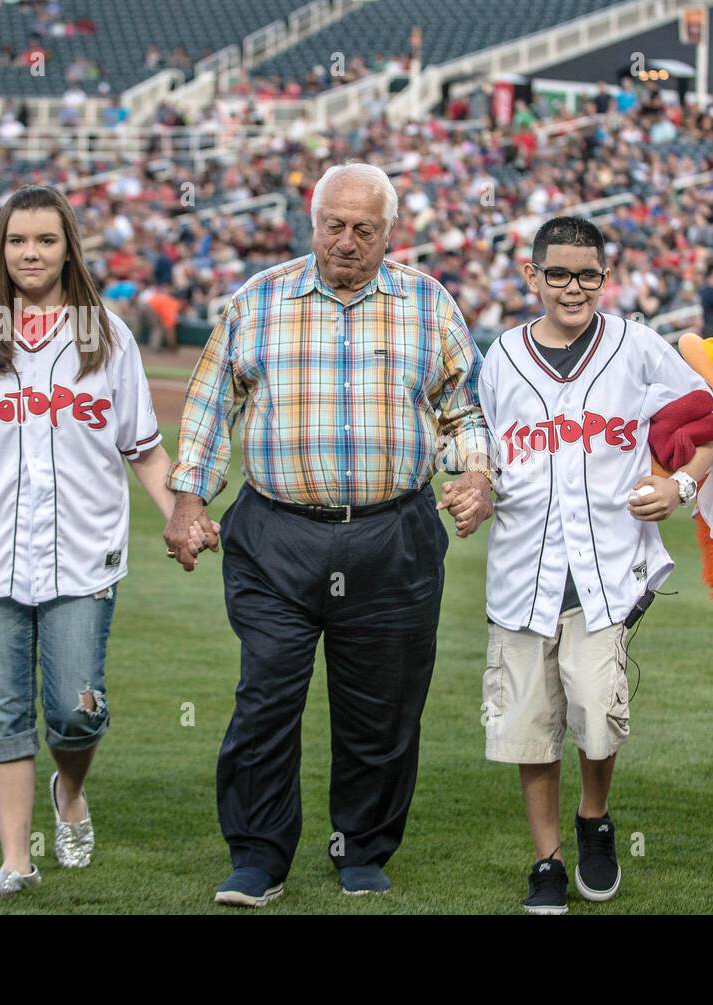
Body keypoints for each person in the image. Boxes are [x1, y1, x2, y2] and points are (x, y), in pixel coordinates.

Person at [164, 162, 493, 906]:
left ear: (389, 233)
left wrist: (474, 473)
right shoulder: (258, 300)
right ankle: (257, 856)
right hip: (276, 536)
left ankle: (361, 848)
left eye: (364, 230)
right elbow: (211, 405)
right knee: (266, 698)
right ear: (312, 224)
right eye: (334, 226)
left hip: (394, 536)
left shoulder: (428, 303)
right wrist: (188, 501)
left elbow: (463, 410)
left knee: (382, 708)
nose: (346, 242)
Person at [0, 185, 184, 900]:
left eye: (45, 240)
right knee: (1, 706)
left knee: (75, 708)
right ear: (1, 250)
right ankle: (16, 858)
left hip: (85, 554)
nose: (30, 252)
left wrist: (179, 514)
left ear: (69, 249)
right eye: (17, 241)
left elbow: (144, 449)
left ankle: (70, 786)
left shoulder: (108, 336)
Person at [475, 217, 713, 913]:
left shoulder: (637, 345)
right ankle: (547, 859)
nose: (573, 287)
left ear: (604, 277)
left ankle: (594, 816)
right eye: (557, 273)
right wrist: (472, 485)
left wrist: (681, 486)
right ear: (531, 276)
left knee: (595, 714)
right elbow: (482, 449)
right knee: (531, 725)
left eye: (587, 274)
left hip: (605, 569)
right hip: (522, 568)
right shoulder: (500, 355)